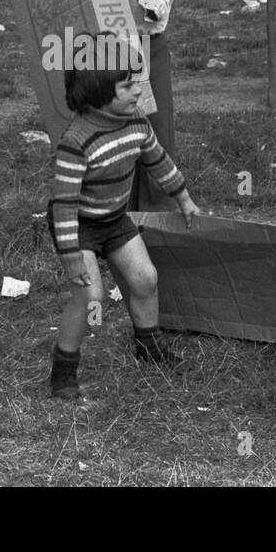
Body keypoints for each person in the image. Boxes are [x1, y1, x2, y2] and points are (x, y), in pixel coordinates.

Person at [47, 40, 202, 399]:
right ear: (99, 90)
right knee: (90, 295)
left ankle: (149, 347)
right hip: (79, 227)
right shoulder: (76, 142)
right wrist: (72, 257)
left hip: (115, 219)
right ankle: (64, 369)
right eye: (128, 84)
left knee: (145, 278)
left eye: (138, 82)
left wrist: (183, 197)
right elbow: (64, 205)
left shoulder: (137, 123)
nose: (138, 90)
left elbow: (157, 161)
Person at [104, 0, 178, 211]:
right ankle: (124, 209)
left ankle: (160, 212)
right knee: (118, 129)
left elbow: (157, 8)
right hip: (114, 50)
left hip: (148, 52)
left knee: (153, 130)